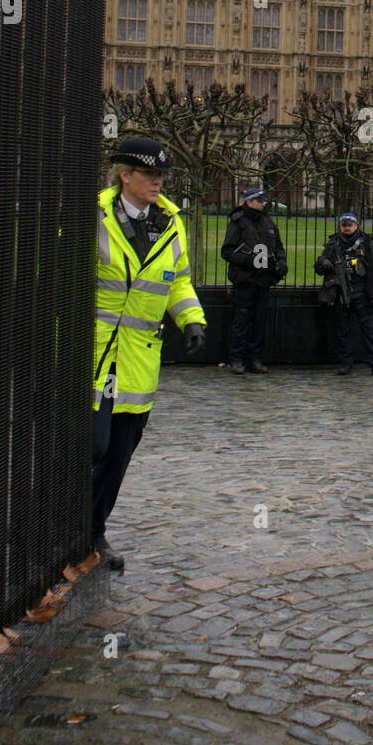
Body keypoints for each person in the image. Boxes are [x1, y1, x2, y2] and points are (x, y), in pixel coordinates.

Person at [93, 136, 206, 571]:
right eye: (150, 175)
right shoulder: (97, 217)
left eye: (161, 176)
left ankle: (92, 531)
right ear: (125, 175)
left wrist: (191, 318)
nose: (158, 183)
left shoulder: (169, 222)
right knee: (94, 445)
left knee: (120, 451)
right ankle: (61, 525)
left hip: (139, 357)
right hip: (97, 354)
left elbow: (177, 280)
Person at [220, 187, 287, 373]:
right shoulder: (238, 222)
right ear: (249, 201)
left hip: (264, 279)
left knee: (260, 321)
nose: (264, 203)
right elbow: (227, 251)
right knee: (241, 320)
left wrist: (281, 261)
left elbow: (278, 246)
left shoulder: (268, 222)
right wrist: (249, 260)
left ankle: (255, 359)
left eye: (264, 200)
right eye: (260, 200)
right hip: (245, 279)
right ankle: (236, 359)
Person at [315, 213, 373, 376]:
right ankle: (345, 364)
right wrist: (324, 263)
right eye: (344, 225)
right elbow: (319, 266)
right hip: (341, 293)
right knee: (343, 331)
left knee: (369, 330)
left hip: (362, 291)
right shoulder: (333, 243)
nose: (347, 228)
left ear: (356, 226)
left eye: (350, 225)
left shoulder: (366, 243)